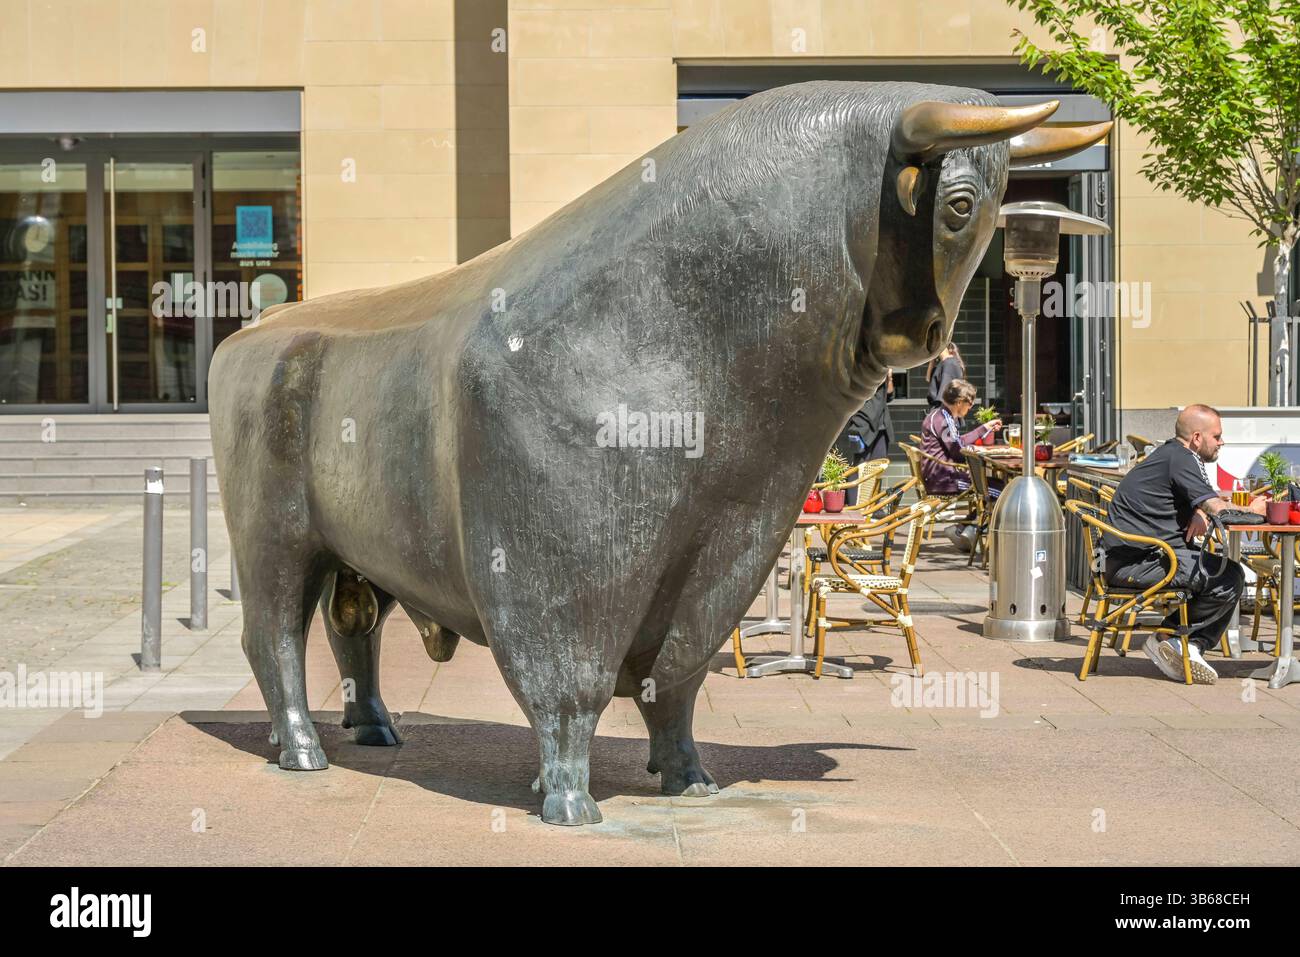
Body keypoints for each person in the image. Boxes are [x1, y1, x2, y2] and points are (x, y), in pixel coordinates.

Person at [1101, 404, 1267, 685]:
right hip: (1138, 563)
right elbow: (1218, 508)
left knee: (1225, 572)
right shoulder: (1181, 458)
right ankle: (1175, 638)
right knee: (1228, 576)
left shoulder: (1173, 454)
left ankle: (1183, 643)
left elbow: (1205, 501)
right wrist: (1257, 513)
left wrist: (1200, 511)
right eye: (1217, 436)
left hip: (1137, 557)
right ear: (1197, 438)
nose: (1222, 442)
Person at [920, 378, 1001, 551]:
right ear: (959, 402)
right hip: (945, 478)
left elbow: (957, 444)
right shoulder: (944, 420)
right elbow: (958, 452)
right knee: (1004, 492)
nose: (970, 407)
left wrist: (984, 427)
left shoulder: (939, 414)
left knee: (995, 487)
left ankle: (964, 529)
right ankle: (970, 529)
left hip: (939, 474)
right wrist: (976, 450)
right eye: (969, 403)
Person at [832, 372, 895, 505]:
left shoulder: (883, 370)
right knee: (859, 467)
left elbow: (888, 395)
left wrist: (889, 378)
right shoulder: (865, 368)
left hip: (881, 424)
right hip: (862, 423)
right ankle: (856, 505)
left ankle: (874, 506)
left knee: (878, 467)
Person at [926, 342, 965, 409]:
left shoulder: (949, 363)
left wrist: (939, 411)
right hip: (942, 408)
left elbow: (944, 392)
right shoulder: (944, 364)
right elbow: (928, 378)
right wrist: (932, 359)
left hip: (943, 409)